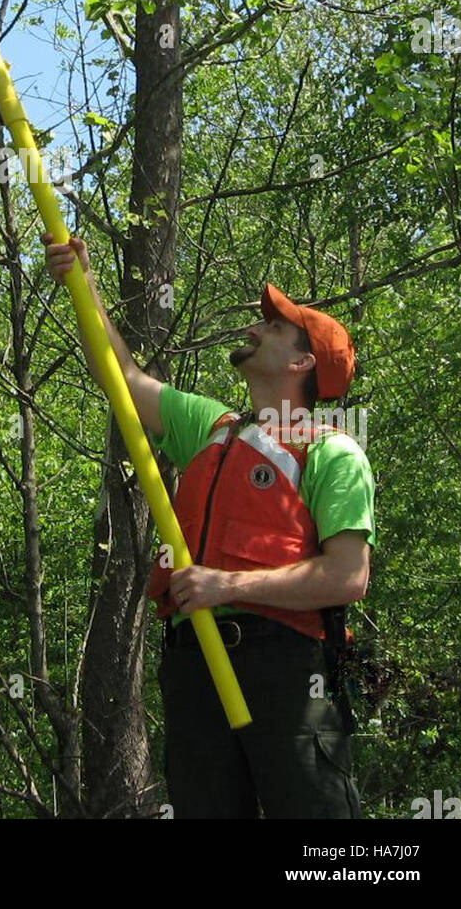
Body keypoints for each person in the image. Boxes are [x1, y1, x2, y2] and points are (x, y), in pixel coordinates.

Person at [43, 231, 375, 819]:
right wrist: (82, 284)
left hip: (287, 671)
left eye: (273, 327)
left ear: (302, 362)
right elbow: (122, 377)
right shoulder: (212, 428)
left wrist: (227, 586)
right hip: (194, 664)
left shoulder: (332, 453)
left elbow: (347, 577)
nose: (254, 328)